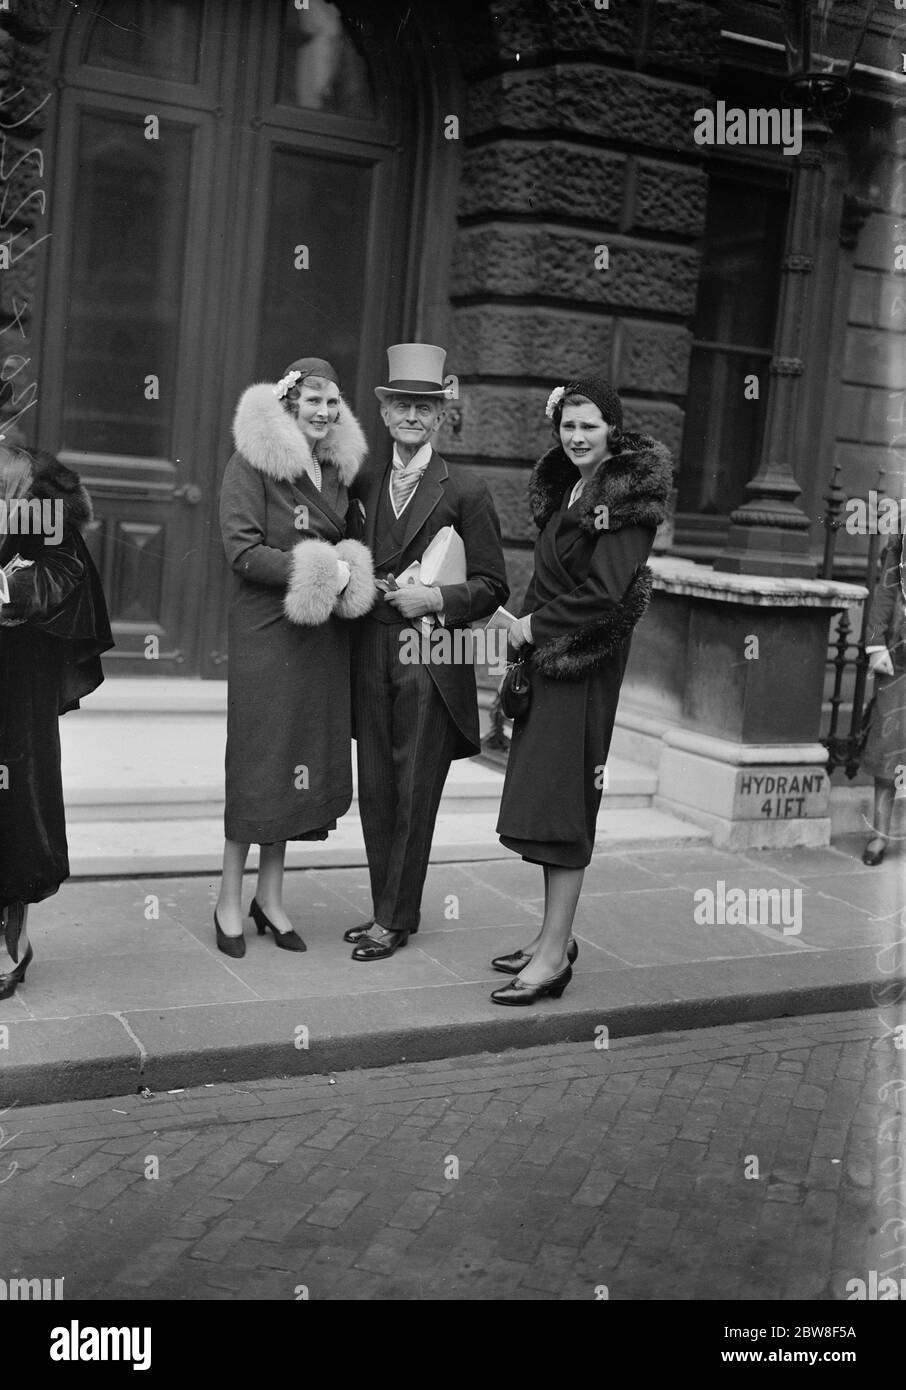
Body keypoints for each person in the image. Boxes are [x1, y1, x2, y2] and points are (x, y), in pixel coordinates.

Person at [491, 377, 672, 1005]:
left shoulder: (627, 497)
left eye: (589, 425)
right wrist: (521, 636)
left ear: (612, 431)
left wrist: (529, 627)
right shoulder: (572, 486)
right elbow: (552, 575)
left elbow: (605, 592)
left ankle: (552, 957)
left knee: (565, 807)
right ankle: (552, 937)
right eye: (568, 425)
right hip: (550, 659)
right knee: (546, 801)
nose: (575, 436)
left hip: (584, 664)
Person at [344, 343, 508, 961]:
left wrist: (436, 598)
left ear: (441, 416)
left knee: (415, 791)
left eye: (425, 406)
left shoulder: (466, 488)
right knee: (378, 785)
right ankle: (382, 907)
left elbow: (494, 585)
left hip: (430, 654)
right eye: (402, 404)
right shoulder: (360, 480)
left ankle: (398, 917)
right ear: (385, 414)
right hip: (370, 649)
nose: (413, 415)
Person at [216, 357, 374, 956]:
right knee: (260, 758)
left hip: (320, 635)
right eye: (313, 400)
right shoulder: (250, 463)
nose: (324, 412)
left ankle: (271, 898)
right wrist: (320, 568)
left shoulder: (335, 471)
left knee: (298, 757)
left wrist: (348, 570)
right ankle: (229, 898)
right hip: (267, 631)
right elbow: (241, 551)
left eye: (333, 403)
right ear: (287, 403)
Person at [0, 446, 113, 1000]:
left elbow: (65, 565)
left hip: (13, 671)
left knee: (13, 800)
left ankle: (6, 942)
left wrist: (6, 590)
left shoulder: (31, 479)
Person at [860, 531, 906, 866]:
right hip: (899, 663)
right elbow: (885, 595)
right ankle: (880, 836)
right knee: (888, 751)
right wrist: (875, 644)